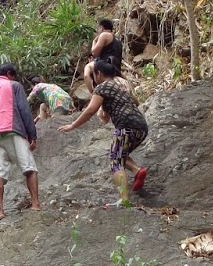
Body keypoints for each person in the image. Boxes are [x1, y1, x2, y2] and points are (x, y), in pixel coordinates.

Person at [60, 56, 148, 206]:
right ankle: (137, 170)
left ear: (99, 74)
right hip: (141, 126)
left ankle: (124, 200)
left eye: (94, 75)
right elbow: (129, 105)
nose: (94, 78)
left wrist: (73, 125)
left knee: (116, 162)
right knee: (119, 153)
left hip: (126, 125)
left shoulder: (102, 87)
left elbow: (90, 110)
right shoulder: (118, 87)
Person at [0, 63, 40, 221]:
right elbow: (24, 110)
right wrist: (32, 135)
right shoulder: (14, 86)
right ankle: (35, 204)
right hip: (13, 130)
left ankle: (0, 211)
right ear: (10, 74)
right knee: (28, 167)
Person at [82, 19, 123, 90]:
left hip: (105, 65)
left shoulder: (104, 35)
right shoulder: (117, 39)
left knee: (87, 69)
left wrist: (94, 42)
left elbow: (94, 53)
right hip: (116, 69)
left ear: (102, 28)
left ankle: (92, 92)